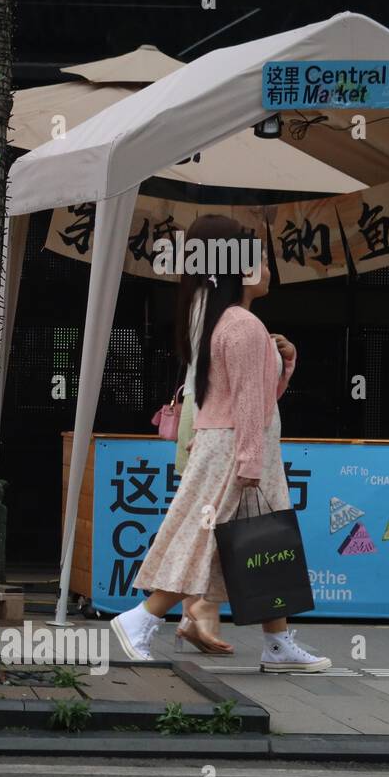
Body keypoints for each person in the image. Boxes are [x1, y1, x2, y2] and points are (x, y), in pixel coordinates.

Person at [112, 214, 331, 672]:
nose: (269, 269)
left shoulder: (220, 321)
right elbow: (250, 405)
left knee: (263, 543)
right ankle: (141, 619)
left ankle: (277, 642)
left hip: (230, 445)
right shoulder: (244, 326)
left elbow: (238, 398)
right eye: (263, 260)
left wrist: (283, 365)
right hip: (241, 450)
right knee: (214, 540)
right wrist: (250, 461)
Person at [170, 266, 232, 655]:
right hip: (210, 413)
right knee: (209, 520)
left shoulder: (197, 296)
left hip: (200, 409)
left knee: (203, 518)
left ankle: (191, 613)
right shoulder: (217, 301)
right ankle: (196, 609)